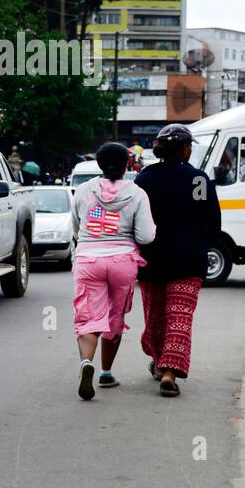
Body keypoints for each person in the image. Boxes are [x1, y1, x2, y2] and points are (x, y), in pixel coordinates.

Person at [134, 124, 222, 397]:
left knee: (156, 317)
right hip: (188, 260)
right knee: (179, 318)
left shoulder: (146, 179)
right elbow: (212, 222)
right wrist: (200, 244)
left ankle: (162, 363)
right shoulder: (198, 179)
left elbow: (136, 219)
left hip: (152, 261)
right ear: (184, 150)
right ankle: (168, 371)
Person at [69, 142, 156, 400]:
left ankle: (87, 362)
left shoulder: (84, 190)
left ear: (98, 164)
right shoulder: (138, 193)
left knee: (88, 317)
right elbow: (146, 236)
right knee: (114, 317)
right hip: (122, 261)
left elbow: (75, 226)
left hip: (88, 260)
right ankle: (106, 372)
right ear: (127, 164)